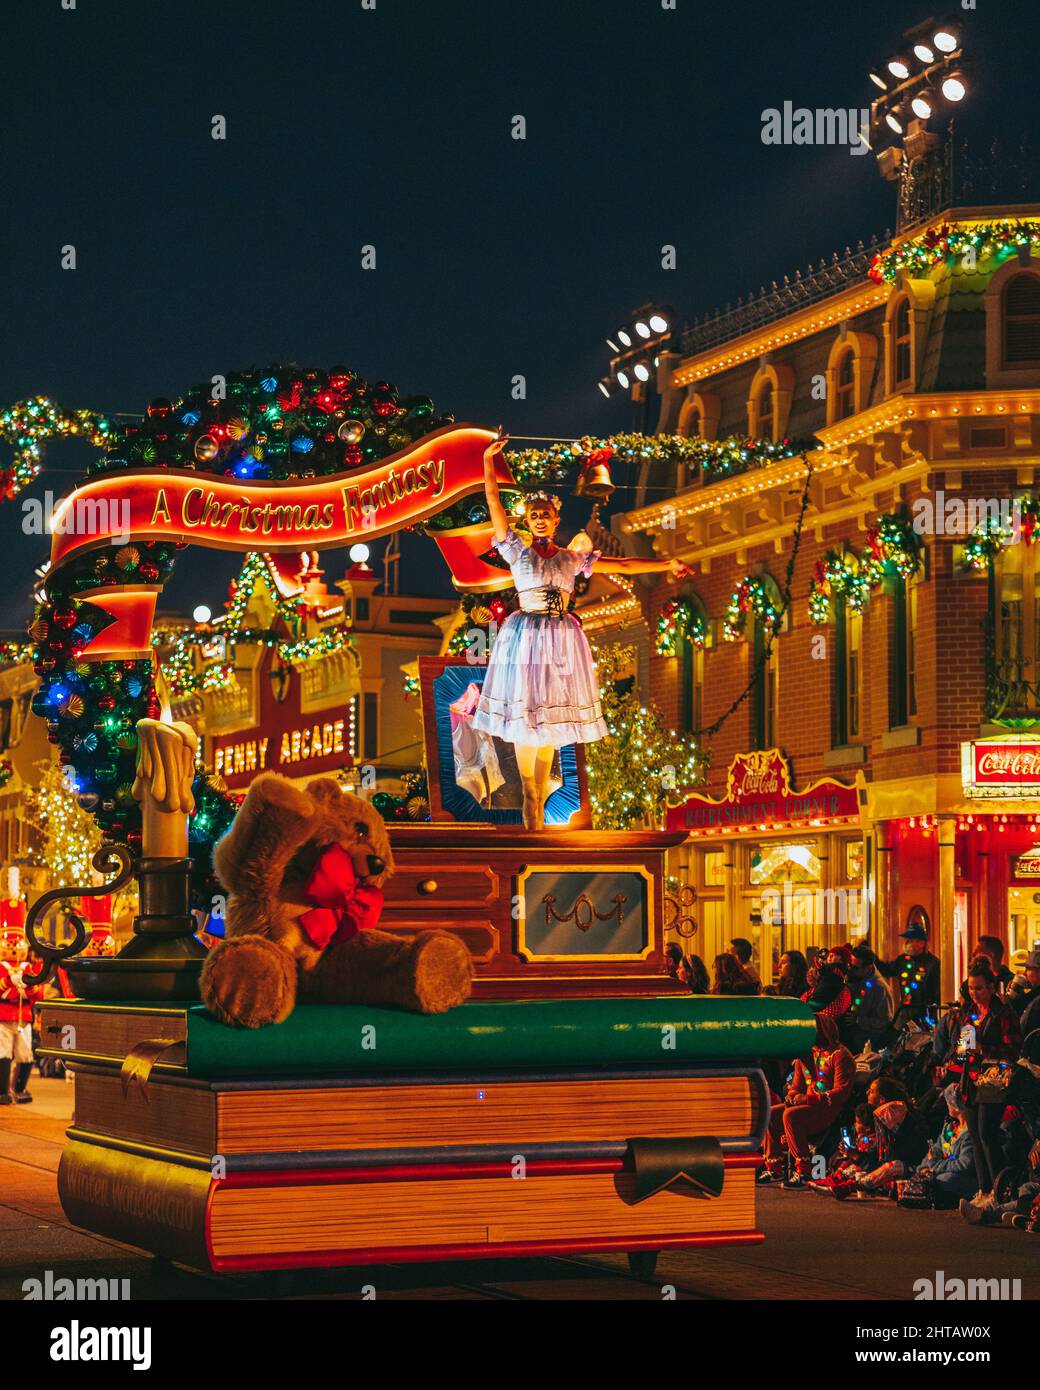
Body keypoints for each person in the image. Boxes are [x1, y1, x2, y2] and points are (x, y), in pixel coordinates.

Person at [474, 435, 688, 828]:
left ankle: (538, 799)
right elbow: (492, 502)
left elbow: (623, 566)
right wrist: (490, 460)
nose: (539, 518)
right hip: (525, 637)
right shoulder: (515, 550)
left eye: (545, 514)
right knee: (526, 717)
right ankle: (531, 801)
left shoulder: (573, 557)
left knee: (549, 726)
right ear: (526, 520)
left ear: (555, 521)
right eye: (532, 514)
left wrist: (665, 565)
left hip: (560, 638)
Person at [949, 962, 1023, 1219]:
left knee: (987, 1133)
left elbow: (1013, 1049)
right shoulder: (969, 1012)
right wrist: (959, 1053)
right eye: (971, 988)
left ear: (991, 988)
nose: (974, 993)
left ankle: (1000, 1189)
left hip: (993, 1081)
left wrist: (984, 1049)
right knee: (975, 1135)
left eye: (979, 988)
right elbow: (963, 1044)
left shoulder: (1003, 1014)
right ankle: (983, 1188)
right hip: (970, 1078)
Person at [761, 1014, 855, 1189]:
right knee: (770, 1114)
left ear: (822, 1031)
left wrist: (809, 1098)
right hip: (808, 1105)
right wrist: (792, 1095)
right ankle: (775, 1168)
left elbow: (842, 1092)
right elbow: (796, 1086)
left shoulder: (840, 1055)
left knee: (791, 1115)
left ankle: (804, 1171)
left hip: (829, 1109)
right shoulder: (805, 1055)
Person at [910, 1084, 978, 1208]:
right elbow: (935, 1150)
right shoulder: (949, 1128)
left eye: (948, 1102)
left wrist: (935, 1166)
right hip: (942, 1171)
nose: (946, 1105)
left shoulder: (970, 1133)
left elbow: (964, 1165)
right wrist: (923, 1168)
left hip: (965, 1178)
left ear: (956, 1105)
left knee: (945, 1179)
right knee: (927, 1178)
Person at [0, 931, 45, 1105]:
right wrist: (9, 982)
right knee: (3, 1053)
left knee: (25, 1053)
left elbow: (37, 994)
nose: (14, 948)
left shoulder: (27, 967)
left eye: (16, 944)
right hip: (3, 1016)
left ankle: (19, 1088)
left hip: (23, 1016)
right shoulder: (2, 967)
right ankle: (2, 1091)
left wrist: (28, 987)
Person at [877, 919, 941, 1018]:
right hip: (906, 1012)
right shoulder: (902, 960)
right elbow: (886, 970)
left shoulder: (933, 963)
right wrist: (872, 958)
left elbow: (937, 991)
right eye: (910, 941)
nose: (912, 944)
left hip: (926, 1013)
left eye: (917, 941)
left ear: (923, 943)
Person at [843, 944, 895, 1052]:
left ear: (868, 967)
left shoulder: (880, 989)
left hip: (866, 1044)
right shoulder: (853, 978)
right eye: (849, 965)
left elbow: (885, 1022)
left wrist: (859, 1020)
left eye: (855, 968)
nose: (850, 970)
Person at [1007, 948, 1040, 1021]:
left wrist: (1012, 999)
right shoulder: (1032, 994)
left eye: (1028, 969)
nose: (1025, 973)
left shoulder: (1034, 997)